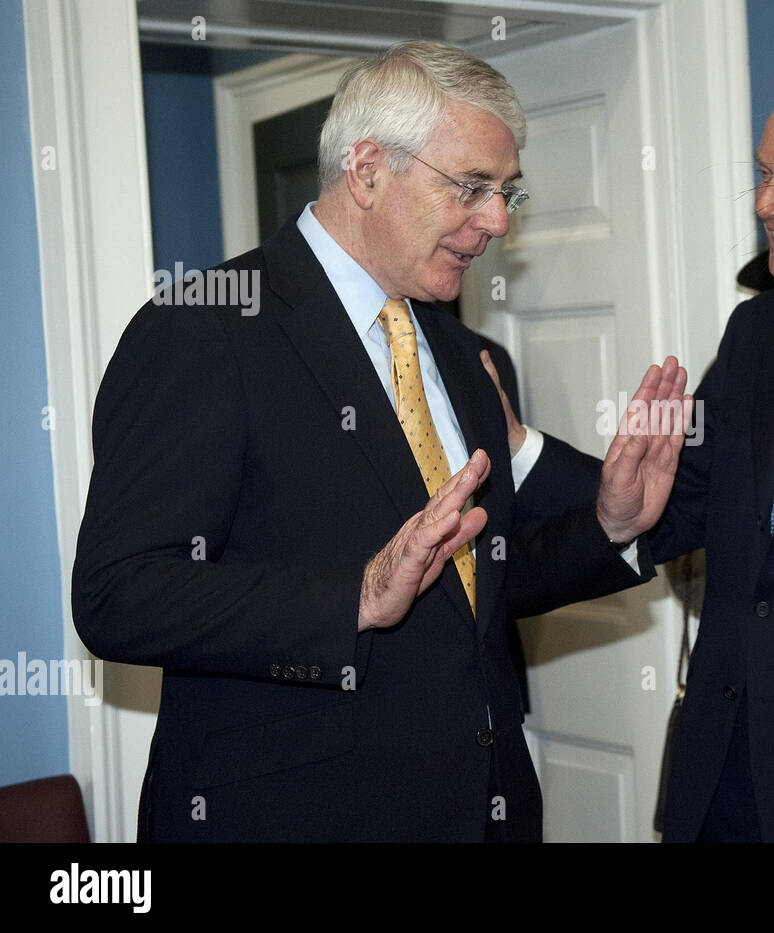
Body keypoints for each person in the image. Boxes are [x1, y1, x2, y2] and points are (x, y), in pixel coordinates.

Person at [71, 40, 690, 843]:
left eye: (507, 192)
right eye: (471, 187)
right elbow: (119, 594)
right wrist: (354, 597)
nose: (498, 220)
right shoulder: (204, 330)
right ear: (365, 170)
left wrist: (608, 526)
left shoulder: (465, 358)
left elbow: (467, 586)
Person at [500, 62, 774, 842]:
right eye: (763, 174)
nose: (768, 204)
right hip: (717, 785)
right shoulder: (758, 334)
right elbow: (678, 504)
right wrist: (538, 458)